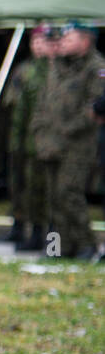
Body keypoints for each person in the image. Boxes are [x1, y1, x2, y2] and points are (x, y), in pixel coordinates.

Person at [38, 22, 105, 260]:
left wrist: (66, 129)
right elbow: (45, 102)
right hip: (51, 141)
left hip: (77, 144)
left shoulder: (96, 68)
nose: (63, 40)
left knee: (69, 193)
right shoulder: (57, 66)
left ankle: (86, 245)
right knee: (54, 198)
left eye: (70, 36)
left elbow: (93, 109)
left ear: (85, 41)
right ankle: (59, 247)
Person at [2, 27, 54, 251]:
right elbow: (12, 103)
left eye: (43, 40)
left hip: (46, 141)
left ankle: (47, 236)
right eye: (35, 40)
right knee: (22, 185)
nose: (38, 45)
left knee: (46, 190)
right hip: (22, 138)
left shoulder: (56, 71)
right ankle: (22, 227)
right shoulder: (25, 70)